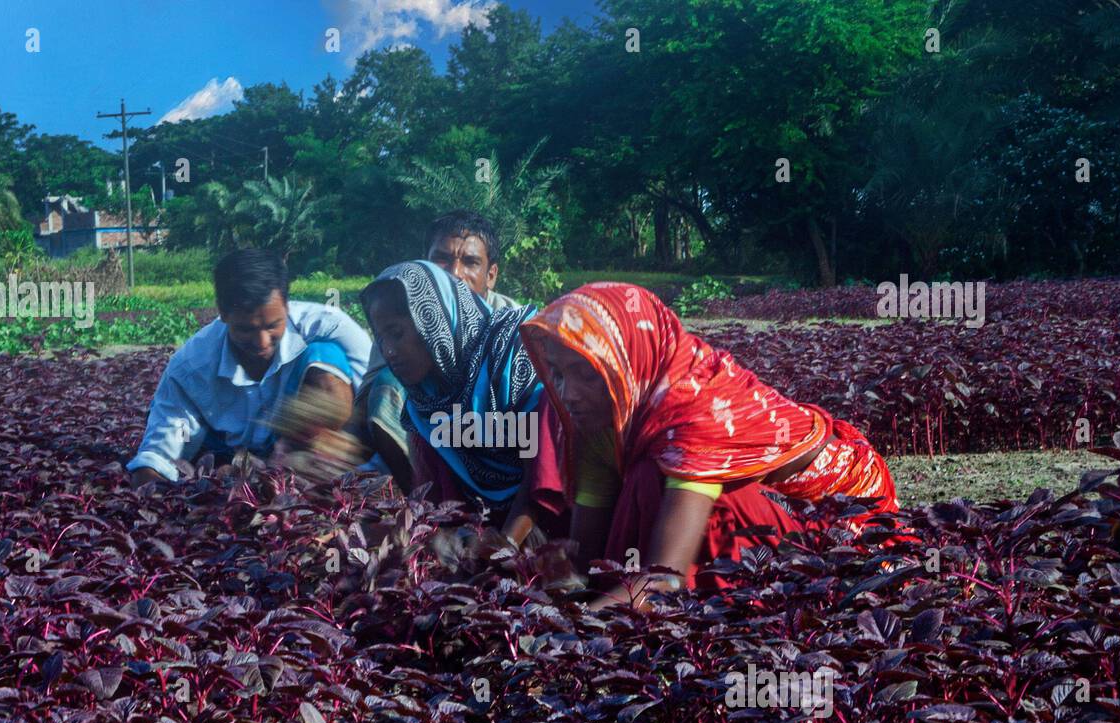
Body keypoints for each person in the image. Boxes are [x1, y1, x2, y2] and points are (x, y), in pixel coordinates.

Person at [517, 282, 900, 608]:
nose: (568, 393)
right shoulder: (598, 422)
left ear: (627, 361)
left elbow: (665, 580)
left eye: (586, 373)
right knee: (645, 481)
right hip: (757, 508)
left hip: (844, 522)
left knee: (653, 481)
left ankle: (734, 600)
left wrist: (570, 631)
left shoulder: (697, 411)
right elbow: (586, 556)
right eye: (558, 373)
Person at [127, 248, 371, 487]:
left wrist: (347, 444)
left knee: (325, 354)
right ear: (223, 314)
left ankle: (313, 458)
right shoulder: (192, 366)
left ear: (286, 305)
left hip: (305, 439)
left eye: (273, 326)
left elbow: (378, 389)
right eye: (246, 329)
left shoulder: (331, 327)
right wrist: (155, 484)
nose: (262, 342)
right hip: (227, 446)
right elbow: (162, 450)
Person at [359, 260, 563, 539]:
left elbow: (539, 475)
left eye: (397, 334)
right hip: (483, 529)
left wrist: (504, 548)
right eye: (381, 339)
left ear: (431, 318)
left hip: (548, 517)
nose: (389, 352)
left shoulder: (511, 357)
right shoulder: (425, 401)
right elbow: (437, 501)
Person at [347, 211, 521, 492]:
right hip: (430, 441)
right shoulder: (401, 321)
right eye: (441, 259)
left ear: (491, 275)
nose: (453, 273)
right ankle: (418, 493)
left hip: (492, 442)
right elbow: (367, 404)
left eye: (470, 262)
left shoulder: (511, 326)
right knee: (387, 386)